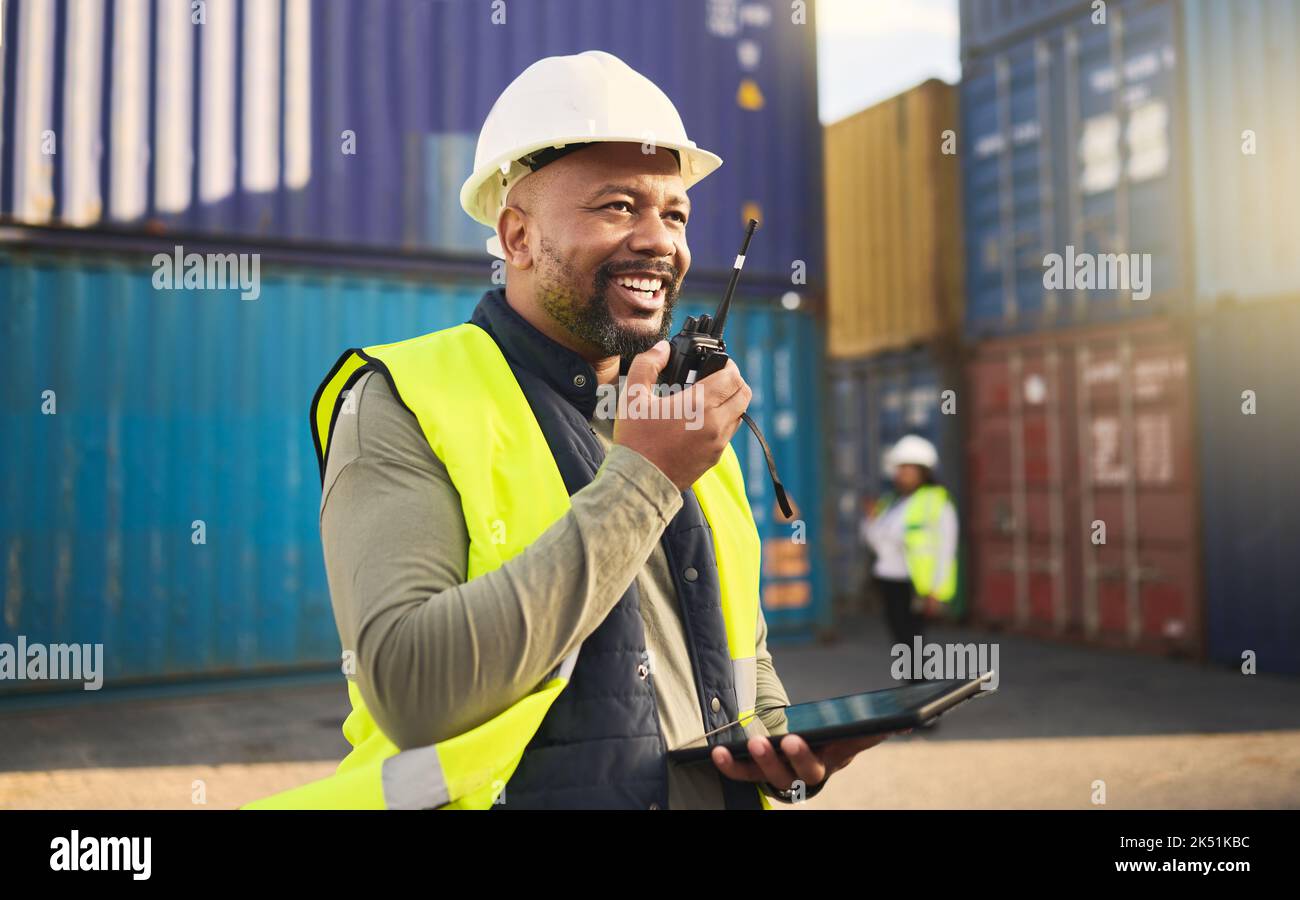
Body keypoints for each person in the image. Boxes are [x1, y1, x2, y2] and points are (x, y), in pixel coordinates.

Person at [247, 51, 892, 810]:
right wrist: (645, 480)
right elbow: (409, 687)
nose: (661, 241)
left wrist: (780, 740)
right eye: (619, 206)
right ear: (517, 237)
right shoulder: (403, 401)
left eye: (675, 213)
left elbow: (735, 653)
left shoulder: (682, 412)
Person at [861, 435, 959, 648]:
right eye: (900, 468)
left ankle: (920, 682)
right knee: (901, 641)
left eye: (909, 469)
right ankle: (914, 681)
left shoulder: (937, 502)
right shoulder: (891, 502)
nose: (902, 474)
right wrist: (870, 520)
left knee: (912, 642)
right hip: (889, 581)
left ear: (923, 472)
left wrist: (937, 590)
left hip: (913, 586)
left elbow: (946, 549)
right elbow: (875, 540)